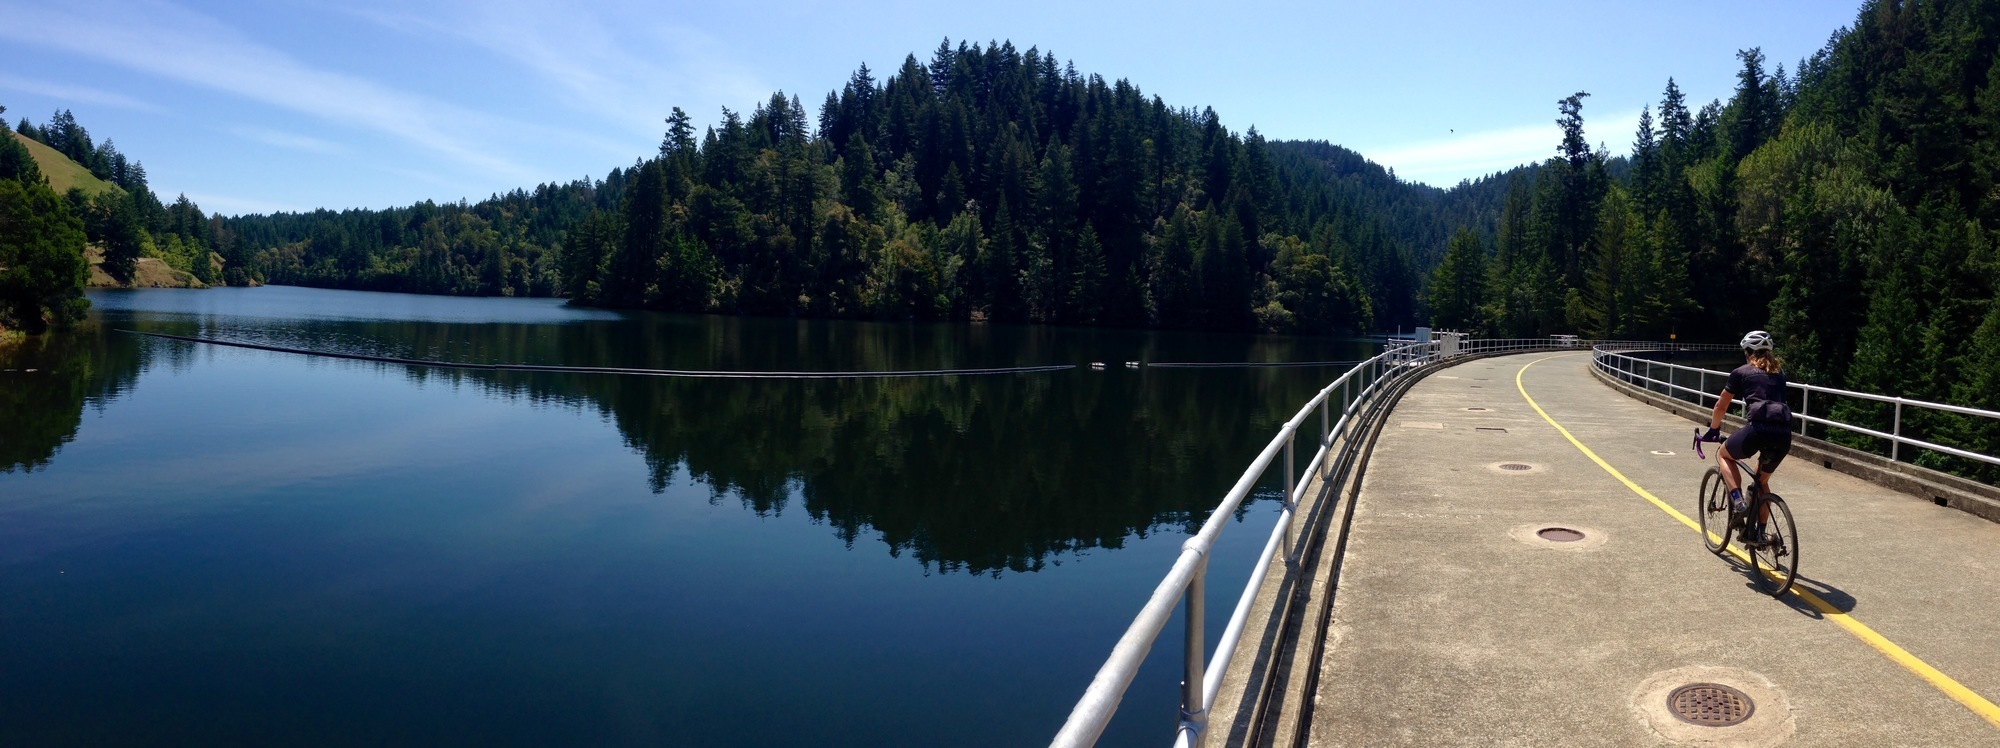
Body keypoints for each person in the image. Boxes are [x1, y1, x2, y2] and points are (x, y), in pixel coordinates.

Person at [1702, 331, 1793, 545]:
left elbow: (1721, 405)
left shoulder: (1741, 372)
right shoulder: (1779, 373)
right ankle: (1760, 533)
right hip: (1783, 435)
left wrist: (1714, 429)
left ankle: (1738, 502)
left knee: (1724, 454)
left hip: (1758, 430)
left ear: (1748, 352)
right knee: (1761, 482)